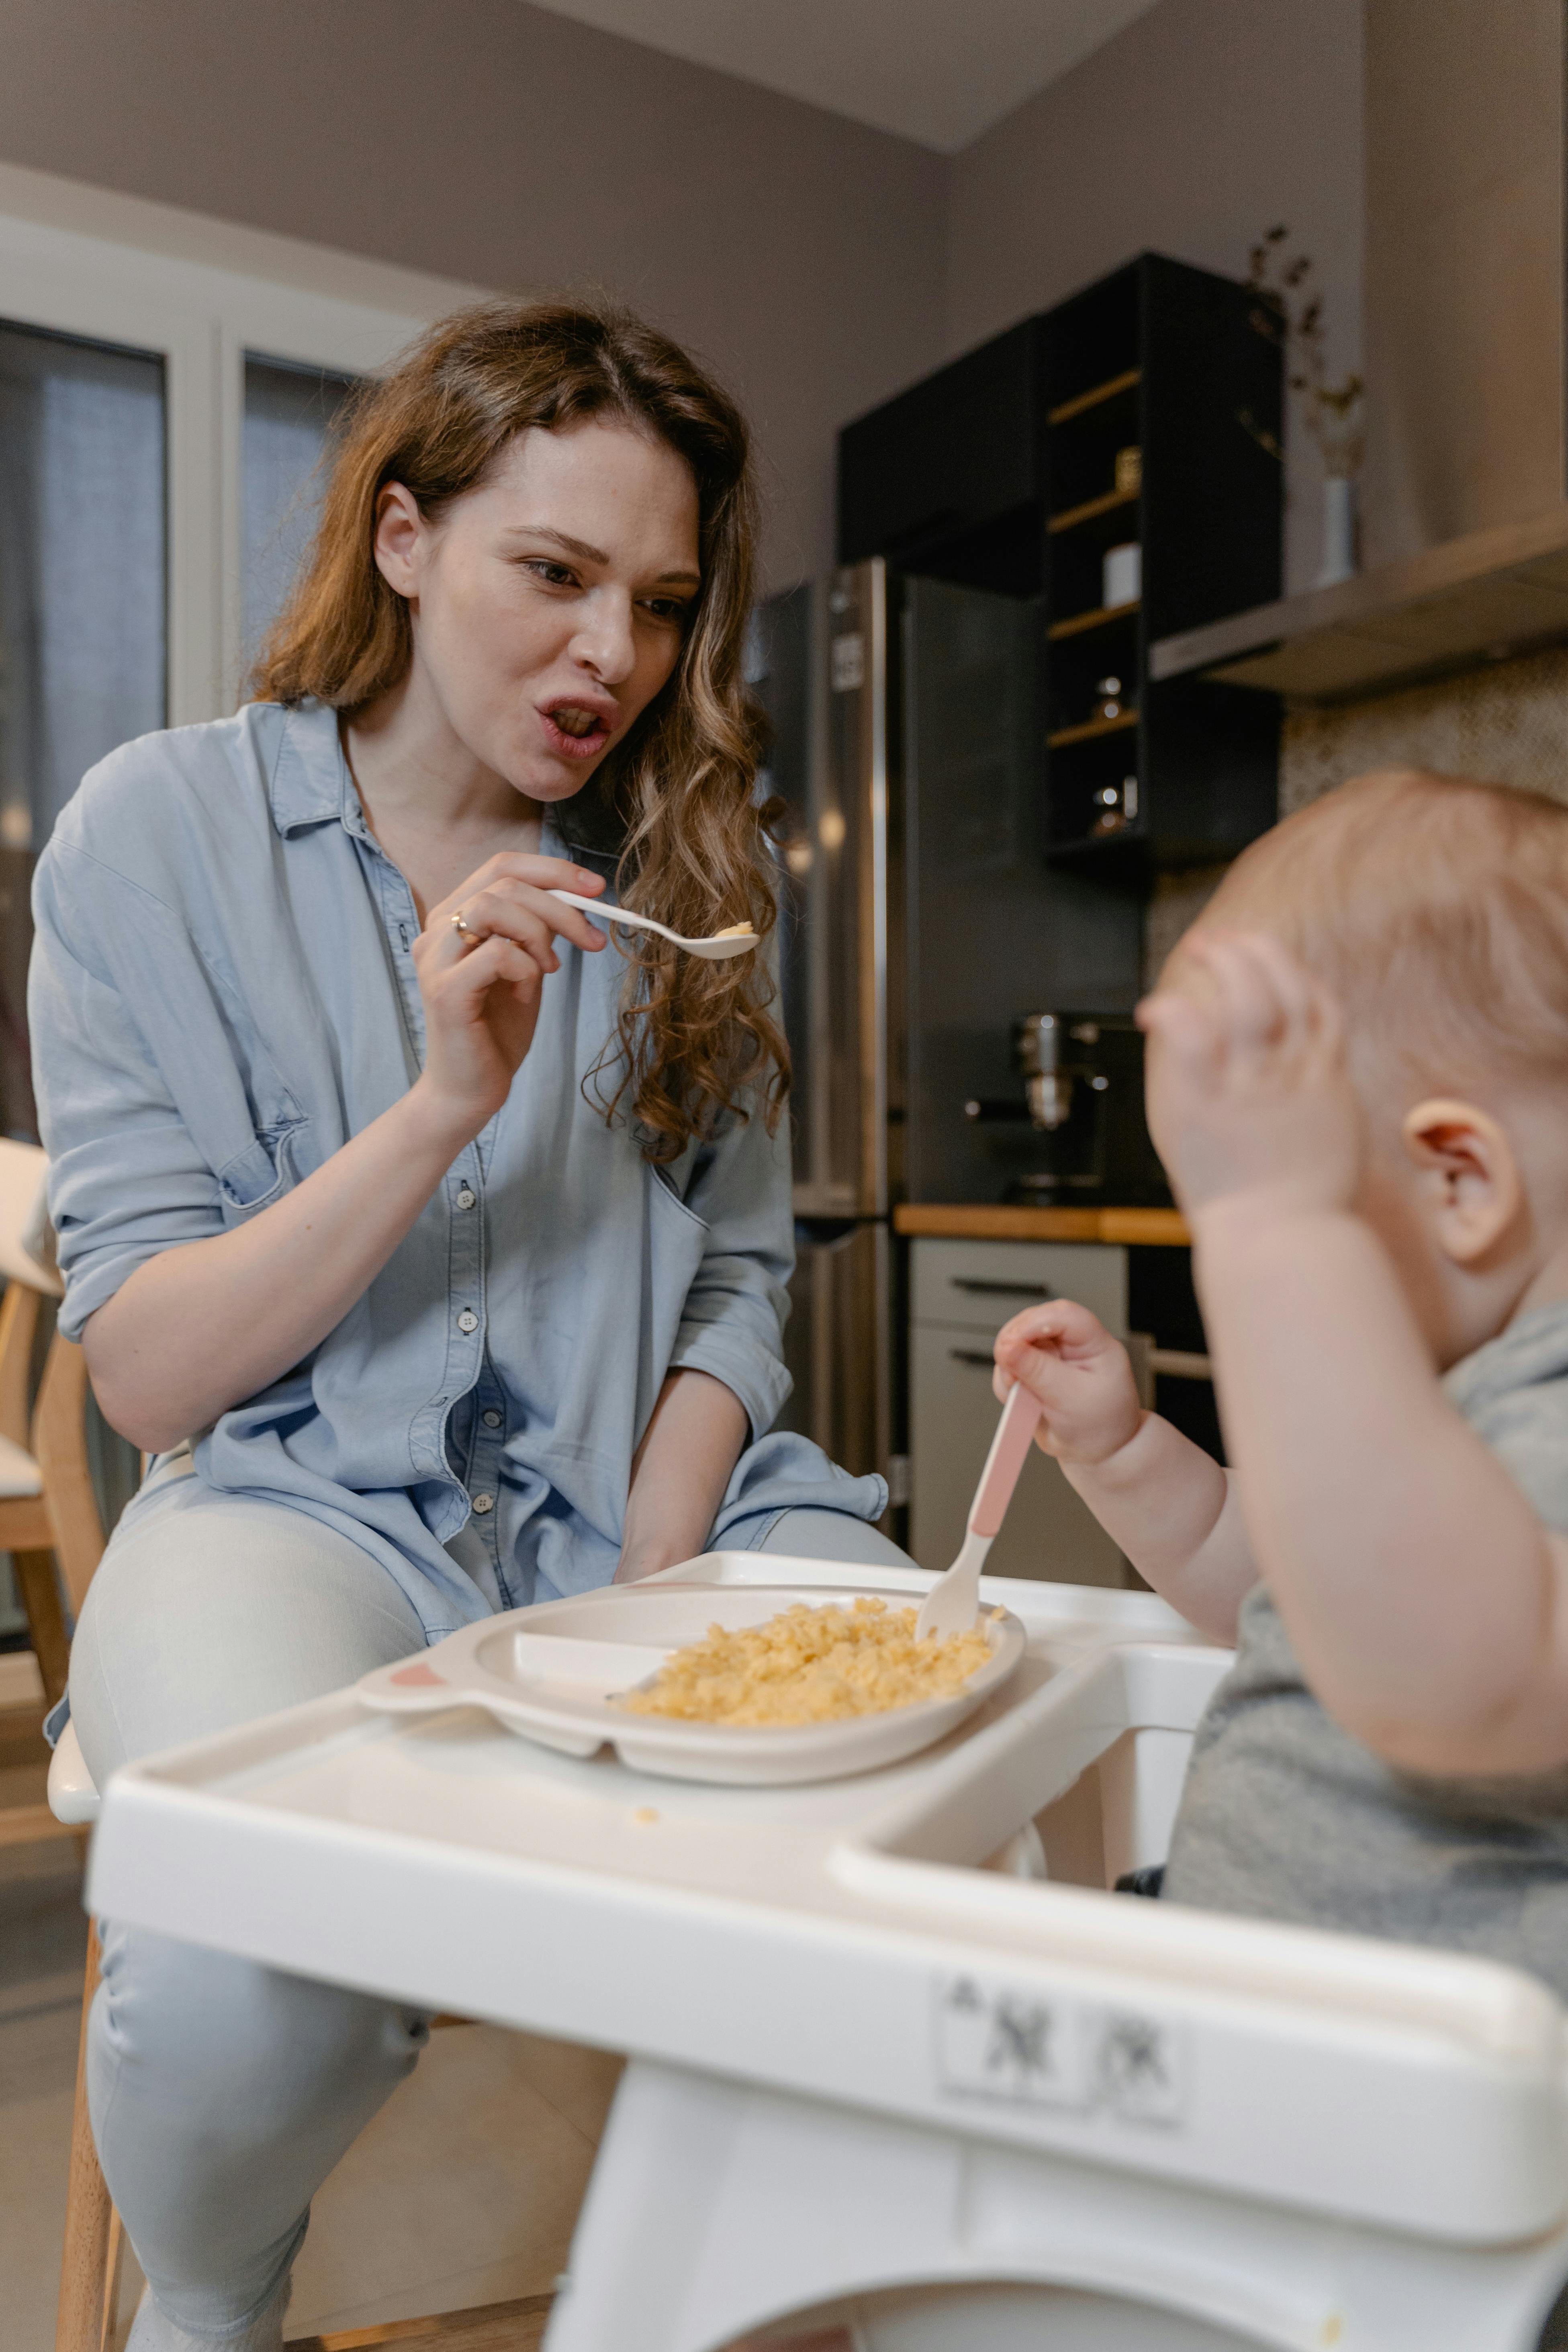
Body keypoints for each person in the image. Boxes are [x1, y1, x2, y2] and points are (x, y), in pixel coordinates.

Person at [32, 297, 905, 2352]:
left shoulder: (688, 873)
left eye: (662, 602)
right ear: (403, 540)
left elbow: (737, 1278)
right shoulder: (156, 840)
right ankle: (220, 2294)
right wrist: (443, 1103)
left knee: (911, 1800)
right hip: (291, 1508)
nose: (615, 652)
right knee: (240, 1947)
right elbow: (151, 1369)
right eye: (555, 573)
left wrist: (661, 1574)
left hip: (650, 1501)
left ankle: (771, 2264)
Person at [994, 769, 1568, 1996]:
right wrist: (1128, 1453)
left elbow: (1455, 1670)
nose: (1242, 1278)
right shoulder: (1433, 1443)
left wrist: (1276, 1234)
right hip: (1257, 2004)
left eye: (1261, 1223)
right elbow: (1282, 1573)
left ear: (1462, 1183)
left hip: (1410, 2105)